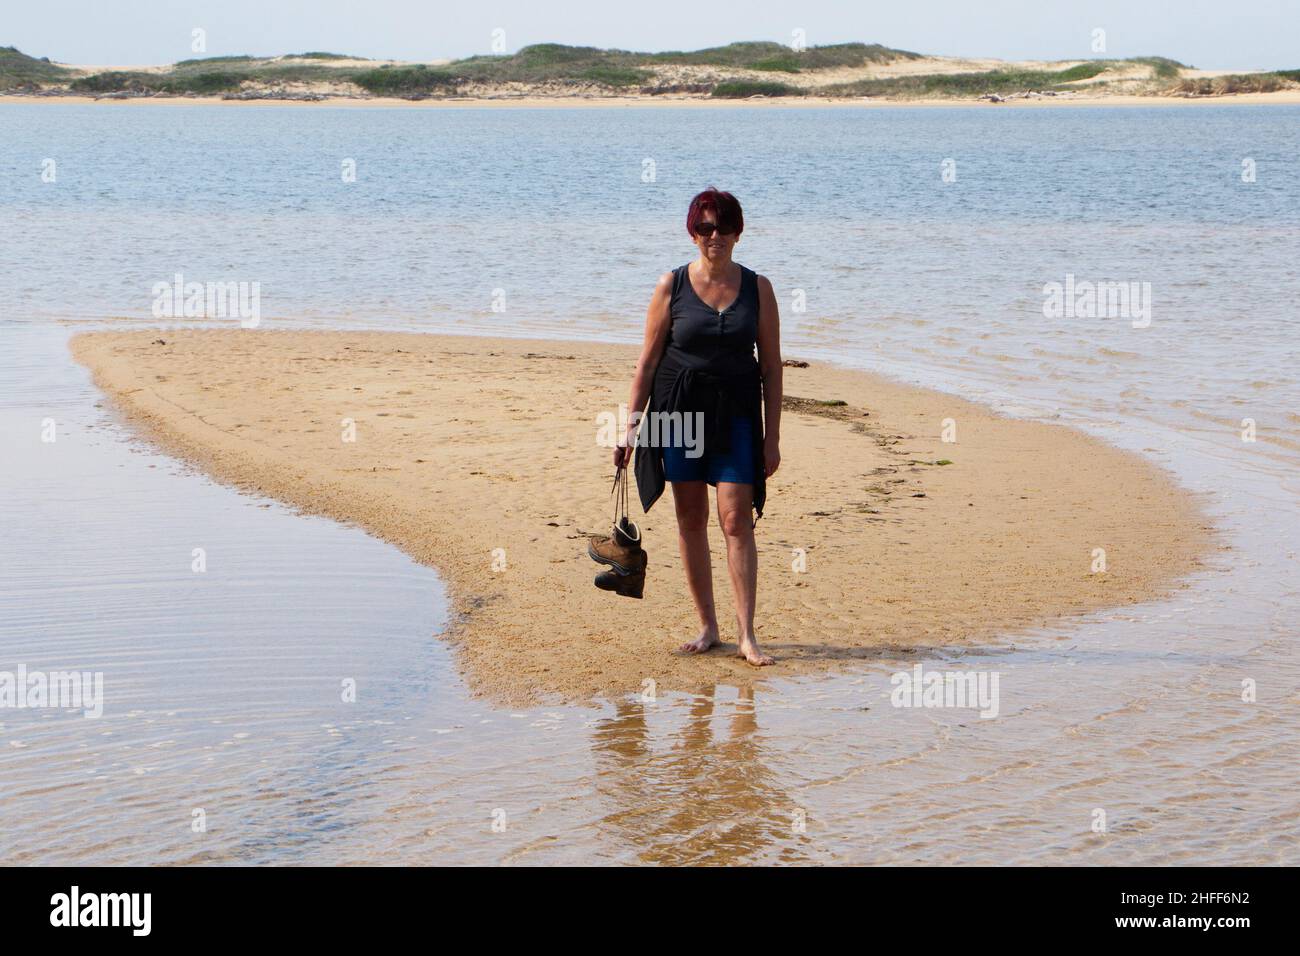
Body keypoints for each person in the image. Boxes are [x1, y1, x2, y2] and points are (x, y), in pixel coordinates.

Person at [614, 187, 783, 666]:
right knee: (690, 519)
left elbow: (771, 367)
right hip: (678, 409)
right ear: (692, 232)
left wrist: (773, 437)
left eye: (724, 226)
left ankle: (747, 634)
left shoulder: (758, 288)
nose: (715, 236)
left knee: (735, 520)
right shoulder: (671, 285)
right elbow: (646, 363)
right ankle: (707, 626)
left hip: (737, 413)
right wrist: (629, 428)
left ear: (738, 232)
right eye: (705, 227)